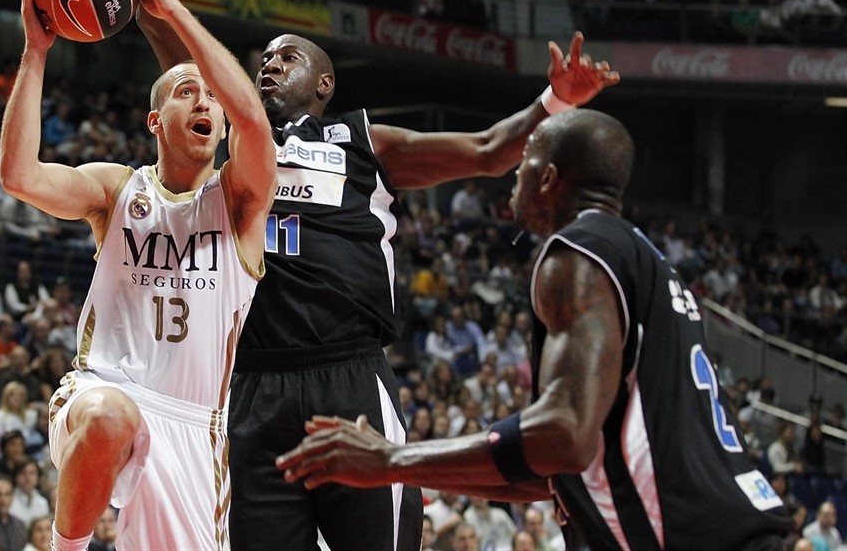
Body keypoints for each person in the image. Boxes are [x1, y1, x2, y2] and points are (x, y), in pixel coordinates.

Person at [136, 0, 620, 551]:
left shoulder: (363, 138)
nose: (268, 63)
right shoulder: (232, 125)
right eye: (263, 56)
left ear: (325, 83)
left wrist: (554, 101)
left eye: (287, 56)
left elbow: (492, 150)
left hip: (348, 376)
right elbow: (163, 17)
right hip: (250, 382)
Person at [278, 110, 793, 551]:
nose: (512, 181)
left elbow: (562, 437)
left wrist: (391, 458)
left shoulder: (579, 252)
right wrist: (398, 467)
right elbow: (558, 475)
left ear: (547, 178)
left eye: (522, 168)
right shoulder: (643, 262)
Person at [0, 0, 275, 549]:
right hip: (104, 387)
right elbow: (19, 176)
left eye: (211, 95)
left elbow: (254, 118)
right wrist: (35, 52)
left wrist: (172, 9)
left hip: (194, 428)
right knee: (108, 415)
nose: (204, 100)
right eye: (185, 92)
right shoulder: (117, 190)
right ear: (156, 121)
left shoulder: (241, 203)